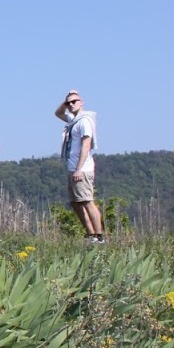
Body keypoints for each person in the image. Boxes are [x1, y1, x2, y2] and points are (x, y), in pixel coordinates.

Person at [55, 90, 103, 242]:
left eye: (74, 101)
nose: (70, 104)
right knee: (76, 202)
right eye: (68, 103)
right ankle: (90, 234)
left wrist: (79, 169)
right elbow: (58, 113)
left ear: (81, 103)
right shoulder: (73, 120)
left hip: (82, 168)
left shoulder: (84, 121)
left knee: (87, 201)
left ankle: (99, 236)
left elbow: (86, 145)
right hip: (72, 166)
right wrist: (66, 100)